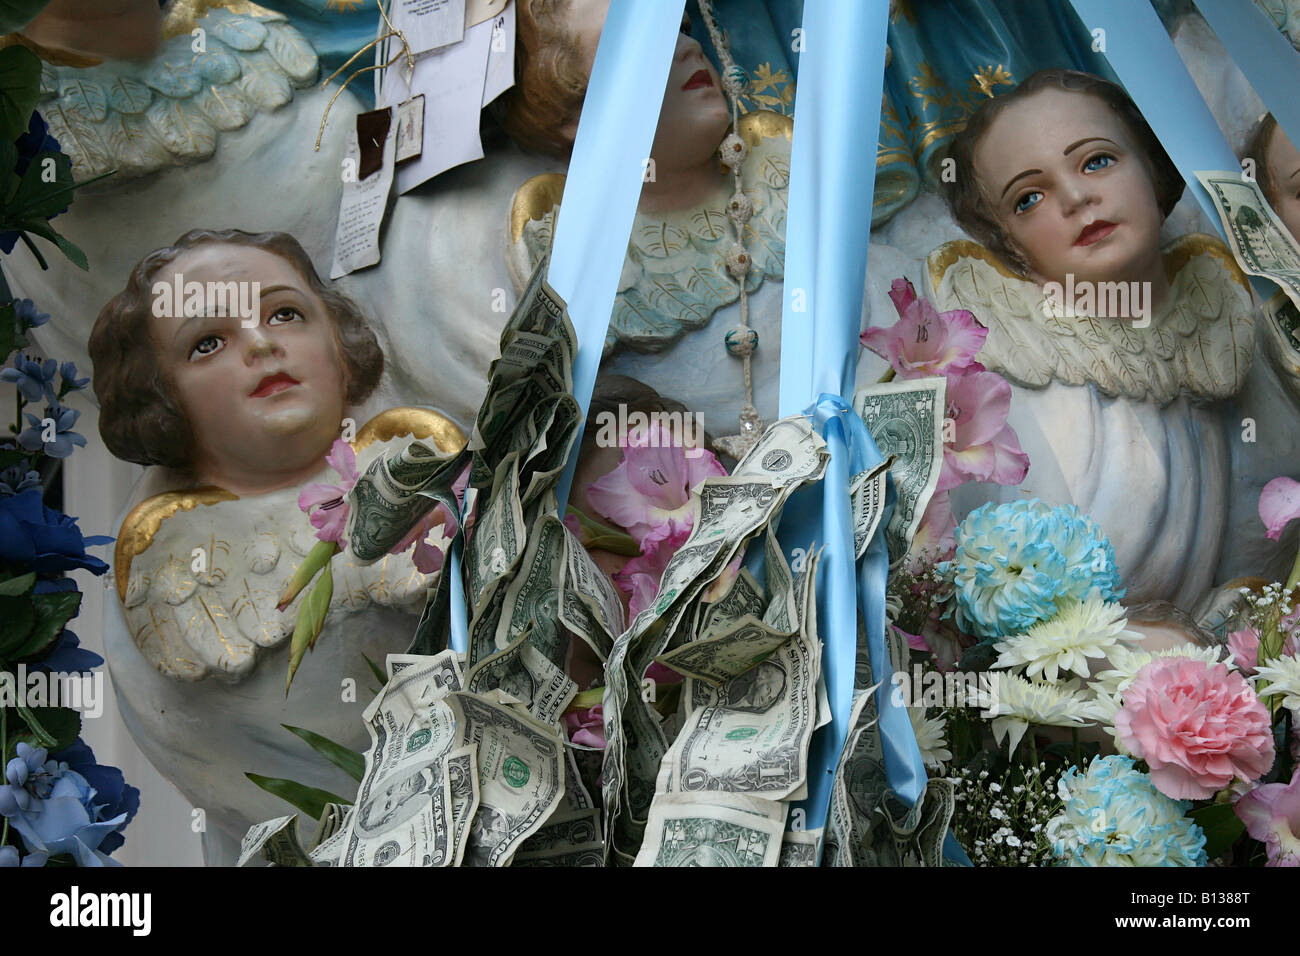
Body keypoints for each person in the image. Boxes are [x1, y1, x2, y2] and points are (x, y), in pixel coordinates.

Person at [87, 229, 462, 863]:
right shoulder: (169, 550)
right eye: (208, 344)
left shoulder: (419, 458)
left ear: (340, 347)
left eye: (285, 313)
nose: (262, 343)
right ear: (163, 401)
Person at [931, 69, 1256, 626]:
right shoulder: (1012, 377)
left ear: (1154, 169)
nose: (1078, 197)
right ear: (1009, 244)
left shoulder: (1221, 322)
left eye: (1097, 161)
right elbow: (1009, 604)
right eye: (1029, 198)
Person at [502, 1, 790, 448]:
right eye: (642, 40)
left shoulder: (779, 169)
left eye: (681, 26)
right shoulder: (581, 256)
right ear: (575, 116)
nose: (687, 48)